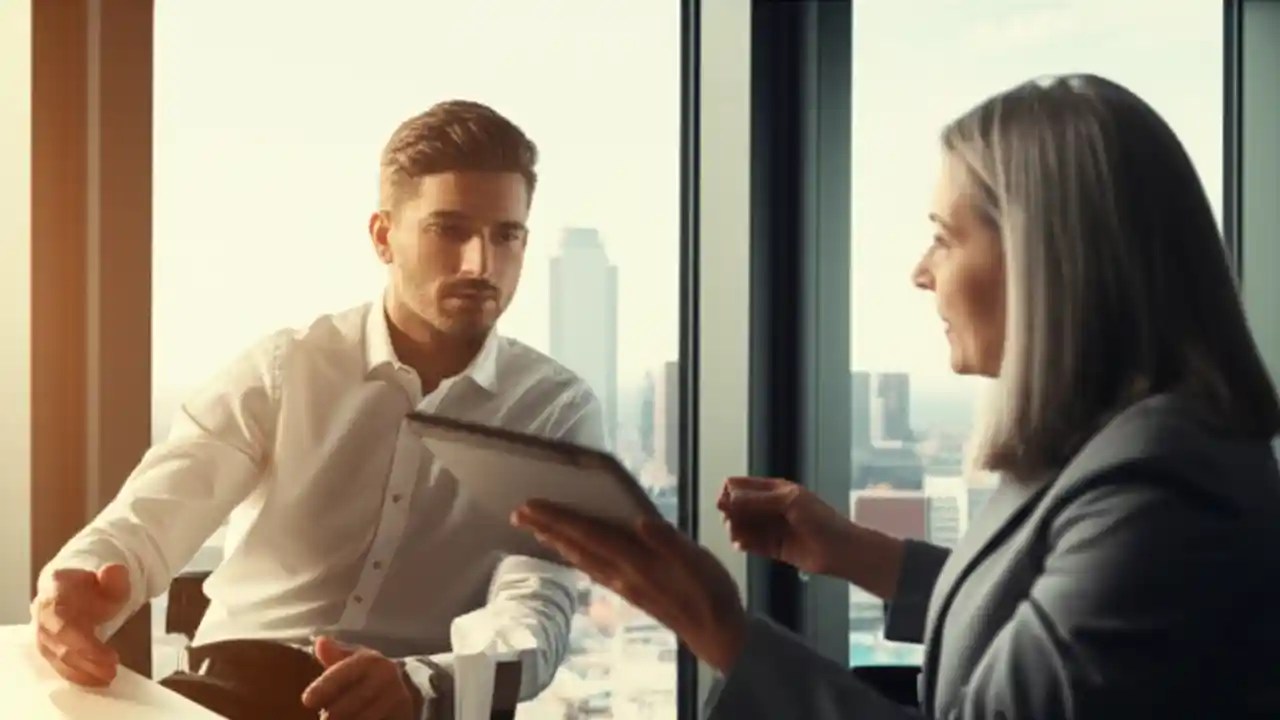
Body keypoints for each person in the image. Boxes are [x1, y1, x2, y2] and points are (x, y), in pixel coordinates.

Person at [512, 74, 1280, 719]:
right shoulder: (1123, 450)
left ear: (1044, 259)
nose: (922, 272)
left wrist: (717, 626)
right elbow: (1037, 605)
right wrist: (857, 554)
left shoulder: (1164, 493)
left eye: (944, 237)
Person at [31, 100, 605, 720]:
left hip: (415, 704)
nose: (480, 265)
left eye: (506, 235)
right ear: (384, 236)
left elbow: (534, 612)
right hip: (233, 692)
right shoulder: (285, 369)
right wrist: (81, 582)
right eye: (450, 230)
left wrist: (422, 685)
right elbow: (152, 515)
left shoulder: (556, 412)